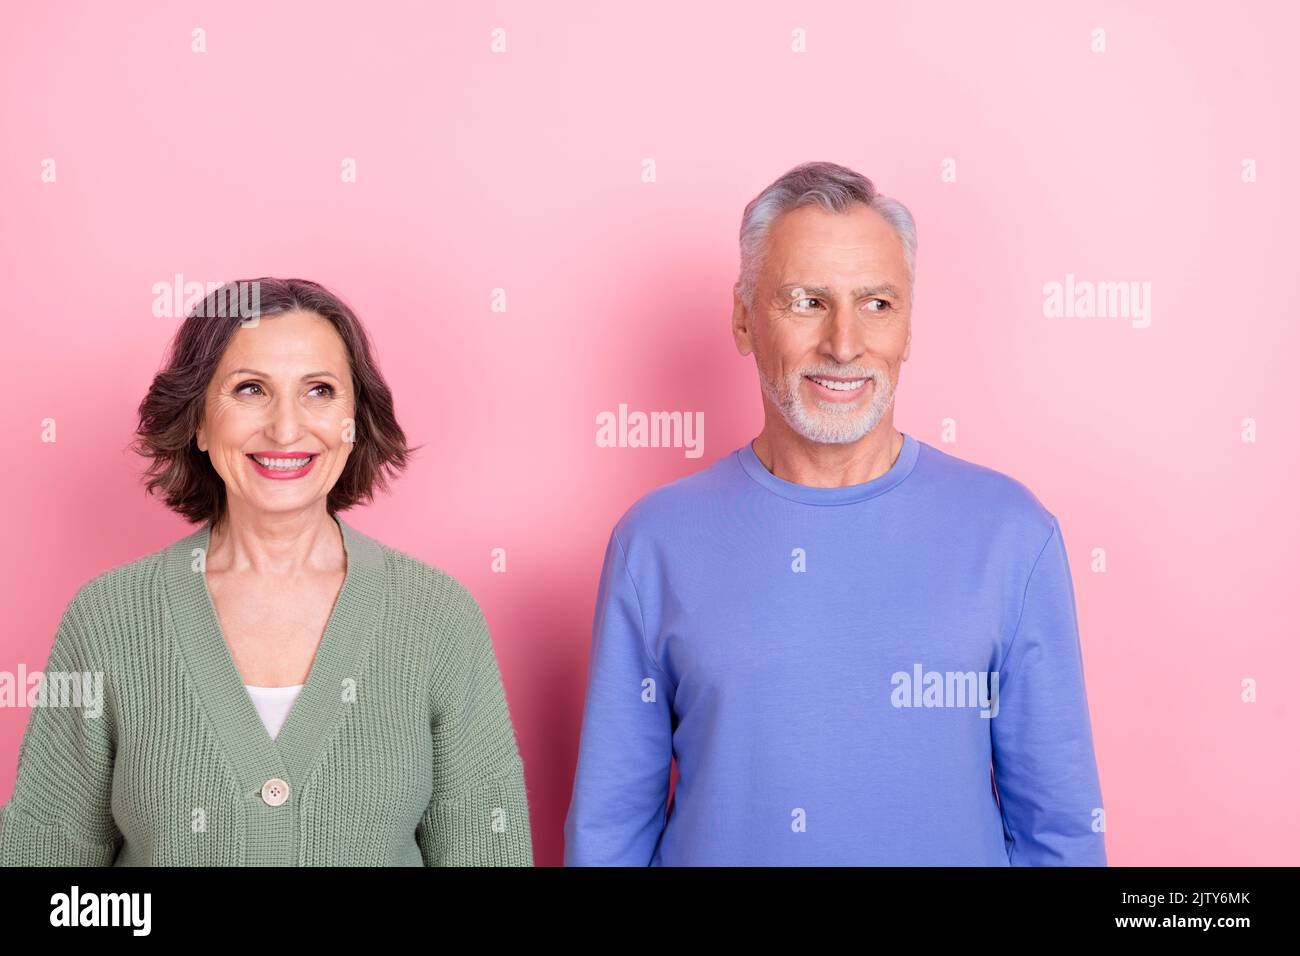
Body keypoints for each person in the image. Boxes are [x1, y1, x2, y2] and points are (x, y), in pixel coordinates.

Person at [563, 161, 1107, 866]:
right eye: (806, 301)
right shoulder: (654, 542)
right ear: (742, 318)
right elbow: (609, 832)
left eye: (877, 303)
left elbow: (1061, 831)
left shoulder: (1012, 536)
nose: (844, 343)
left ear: (908, 325)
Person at [0, 278, 532, 866]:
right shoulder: (108, 617)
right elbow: (44, 858)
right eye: (251, 389)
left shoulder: (437, 617)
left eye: (319, 391)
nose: (285, 428)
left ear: (355, 422)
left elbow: (489, 852)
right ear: (199, 421)